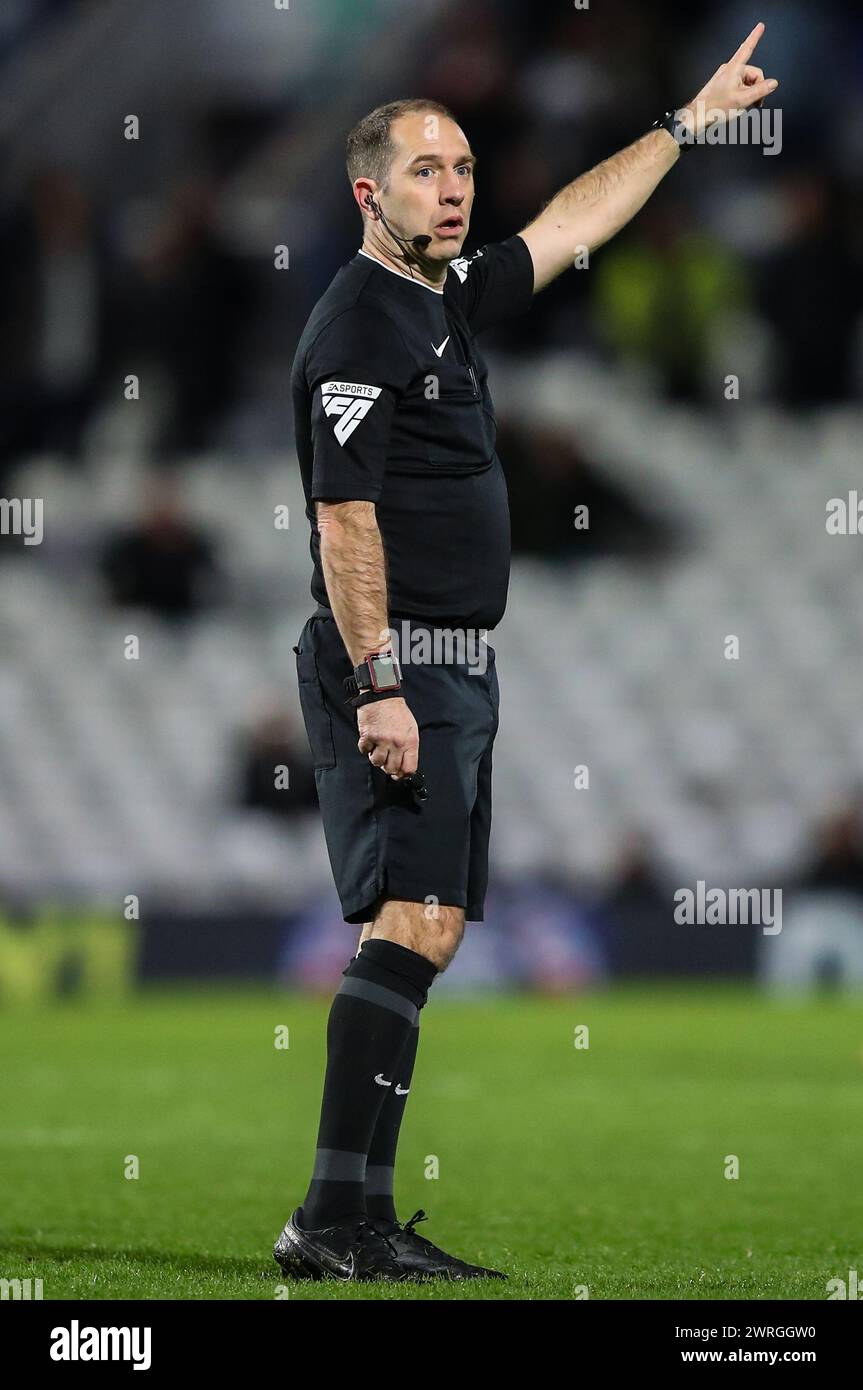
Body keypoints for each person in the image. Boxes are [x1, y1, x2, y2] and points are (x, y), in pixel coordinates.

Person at [276, 26, 778, 1284]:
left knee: (431, 927)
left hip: (455, 669)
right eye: (424, 170)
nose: (451, 188)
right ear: (366, 193)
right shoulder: (357, 330)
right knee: (411, 919)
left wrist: (682, 123)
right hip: (400, 669)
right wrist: (380, 681)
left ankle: (347, 1216)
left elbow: (567, 223)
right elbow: (343, 521)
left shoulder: (439, 302)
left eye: (460, 168)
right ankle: (334, 1221)